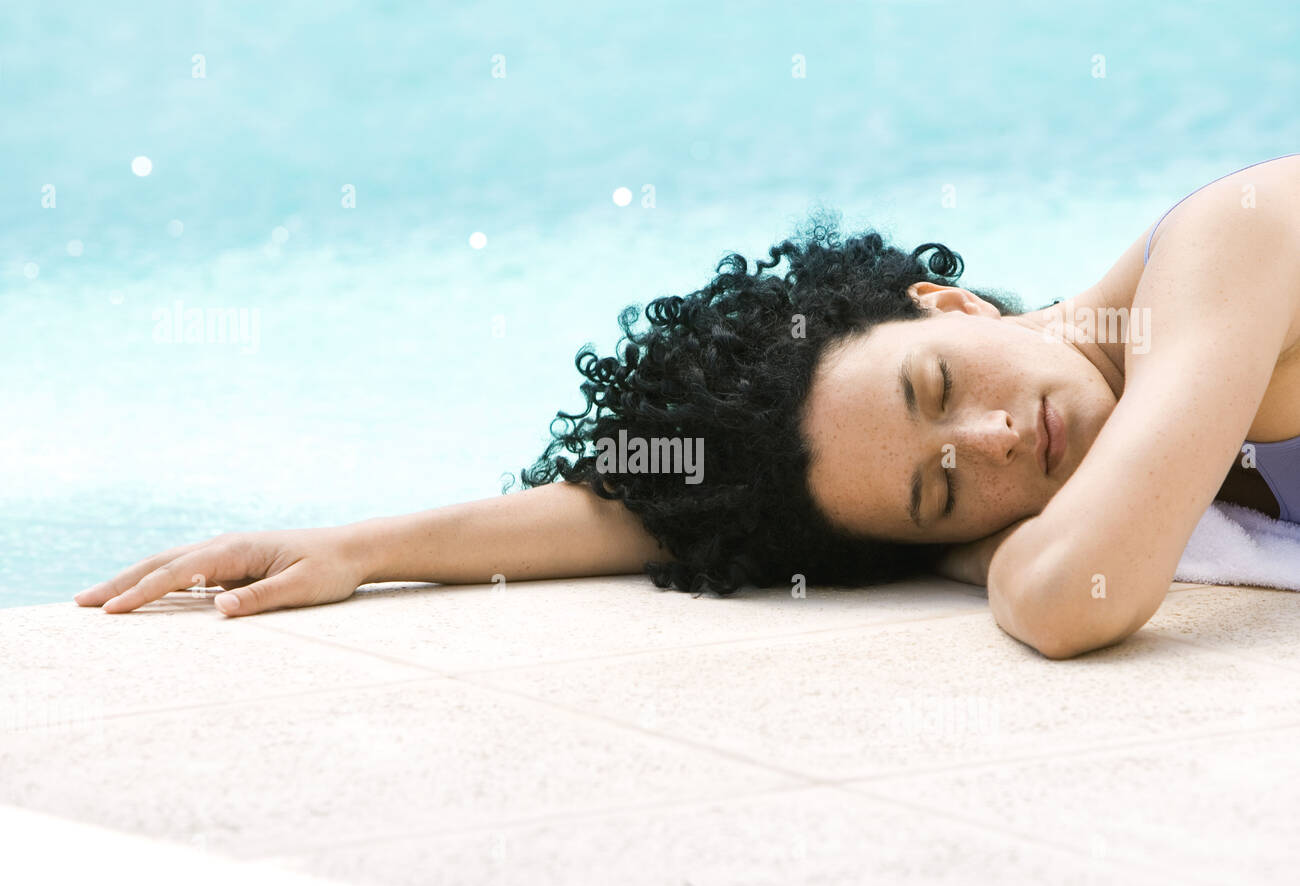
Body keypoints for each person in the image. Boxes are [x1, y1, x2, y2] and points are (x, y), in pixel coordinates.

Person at [75, 154, 1300, 659]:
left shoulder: (1219, 248)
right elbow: (694, 505)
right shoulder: (1156, 432)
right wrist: (356, 547)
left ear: (954, 306)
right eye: (939, 492)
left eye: (935, 387)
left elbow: (1060, 595)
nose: (994, 441)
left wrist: (974, 540)